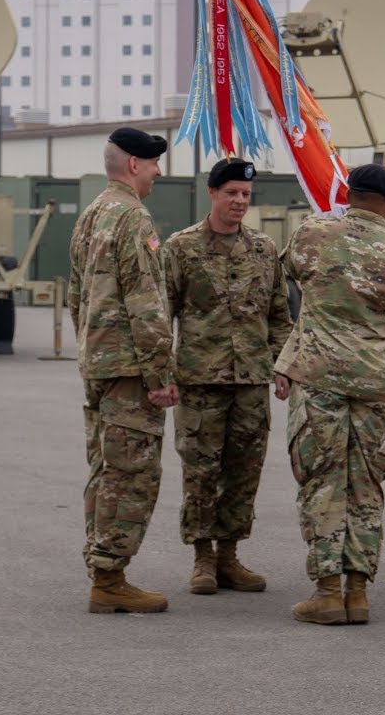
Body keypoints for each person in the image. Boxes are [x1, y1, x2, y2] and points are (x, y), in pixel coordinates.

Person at [275, 164, 385, 625]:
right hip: (374, 385)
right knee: (365, 486)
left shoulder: (312, 233)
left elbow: (286, 272)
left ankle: (327, 592)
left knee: (323, 483)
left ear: (349, 196)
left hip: (319, 381)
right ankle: (359, 593)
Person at [162, 158, 293, 596]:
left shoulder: (264, 249)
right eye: (232, 193)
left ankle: (229, 555)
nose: (239, 201)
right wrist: (164, 373)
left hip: (251, 380)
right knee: (200, 470)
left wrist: (283, 365)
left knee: (243, 471)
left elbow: (279, 314)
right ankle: (202, 557)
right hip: (200, 380)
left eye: (246, 195)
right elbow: (163, 313)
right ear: (213, 193)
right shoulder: (181, 248)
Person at [67, 127, 178, 614]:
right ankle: (110, 578)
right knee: (132, 474)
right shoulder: (133, 217)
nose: (158, 172)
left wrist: (91, 352)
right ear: (134, 164)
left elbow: (76, 295)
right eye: (153, 164)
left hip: (99, 363)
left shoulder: (91, 214)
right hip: (130, 369)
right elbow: (146, 303)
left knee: (105, 468)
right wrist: (160, 375)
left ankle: (102, 568)